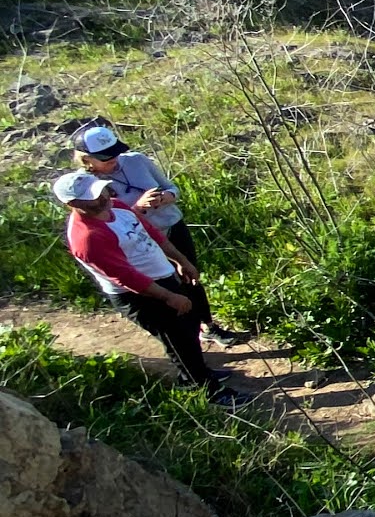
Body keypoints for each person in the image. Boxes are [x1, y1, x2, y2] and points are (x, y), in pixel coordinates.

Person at [54, 170, 247, 405]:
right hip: (139, 293)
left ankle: (198, 374)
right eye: (92, 197)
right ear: (72, 204)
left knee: (189, 326)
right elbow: (126, 278)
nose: (103, 197)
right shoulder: (88, 238)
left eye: (101, 190)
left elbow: (153, 234)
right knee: (177, 338)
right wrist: (168, 296)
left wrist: (181, 261)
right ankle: (207, 391)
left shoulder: (116, 206)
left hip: (162, 275)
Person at [71, 122, 250, 348]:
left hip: (171, 226)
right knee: (165, 286)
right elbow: (106, 218)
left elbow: (174, 188)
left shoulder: (137, 160)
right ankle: (185, 336)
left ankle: (208, 326)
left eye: (116, 152)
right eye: (106, 157)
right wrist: (139, 207)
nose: (114, 159)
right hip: (137, 241)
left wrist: (166, 197)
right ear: (87, 160)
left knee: (190, 276)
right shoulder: (84, 185)